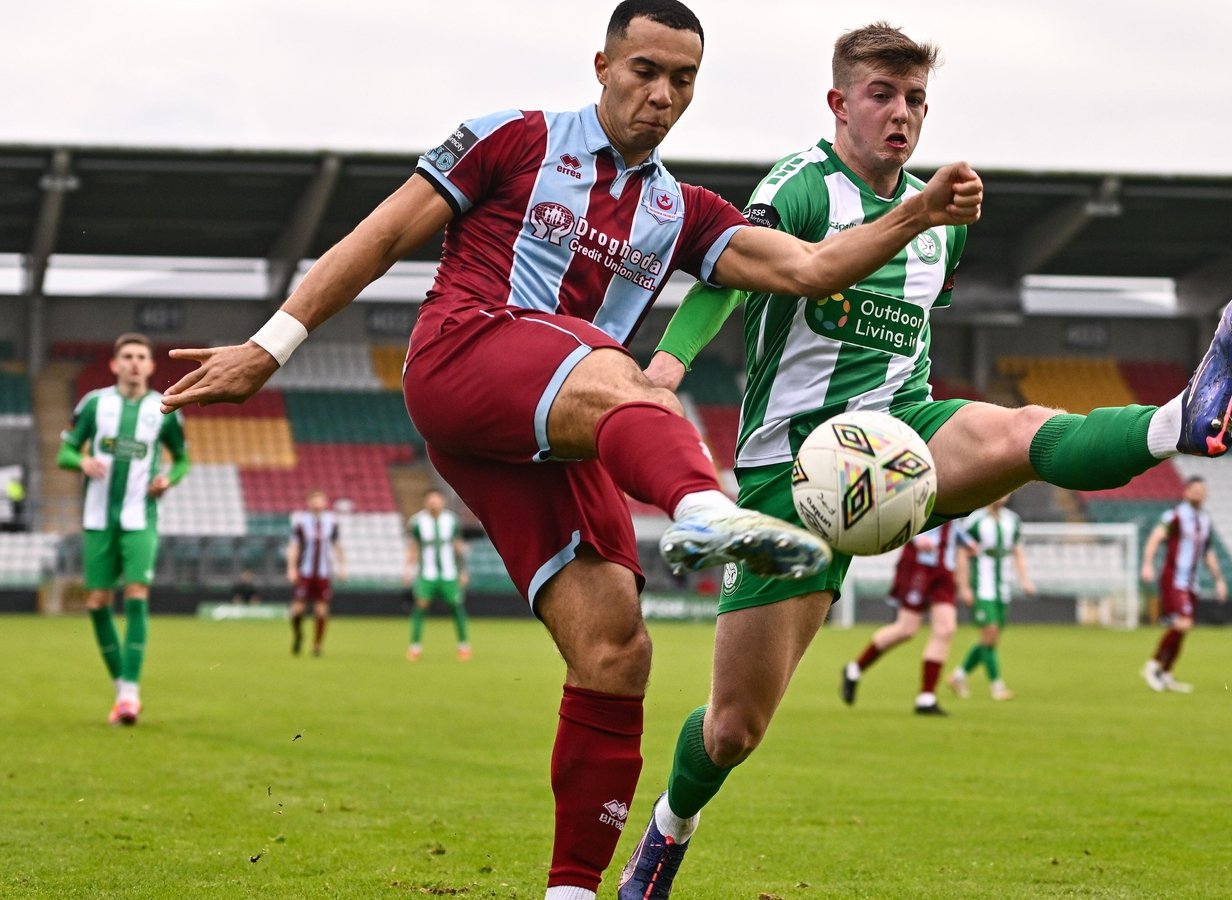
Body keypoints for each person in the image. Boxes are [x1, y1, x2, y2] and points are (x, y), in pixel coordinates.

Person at [158, 4, 985, 896]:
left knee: (617, 652)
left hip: (547, 435)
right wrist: (270, 346)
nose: (661, 95)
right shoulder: (512, 138)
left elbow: (809, 269)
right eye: (644, 71)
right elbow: (384, 233)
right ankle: (708, 514)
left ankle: (572, 889)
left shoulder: (682, 211)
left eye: (683, 80)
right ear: (602, 64)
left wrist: (919, 213)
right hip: (464, 355)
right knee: (622, 371)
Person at [621, 23, 1232, 897]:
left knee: (1021, 431)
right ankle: (668, 831)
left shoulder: (943, 223)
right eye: (882, 95)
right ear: (839, 103)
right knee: (735, 728)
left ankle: (1176, 422)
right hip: (790, 476)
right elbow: (726, 272)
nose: (902, 115)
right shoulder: (804, 185)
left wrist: (925, 240)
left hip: (902, 435)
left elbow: (916, 321)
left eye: (916, 99)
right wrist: (666, 367)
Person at [57, 332, 189, 726]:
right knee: (97, 602)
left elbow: (182, 458)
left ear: (150, 366)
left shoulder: (164, 408)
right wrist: (80, 462)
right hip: (98, 519)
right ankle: (122, 689)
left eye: (141, 357)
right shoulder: (96, 404)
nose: (134, 362)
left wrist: (169, 479)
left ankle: (130, 692)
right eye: (127, 356)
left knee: (136, 592)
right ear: (115, 364)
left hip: (140, 517)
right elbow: (65, 449)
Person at [839, 521, 972, 715]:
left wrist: (966, 541)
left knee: (946, 629)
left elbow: (954, 519)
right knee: (906, 629)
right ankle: (854, 668)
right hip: (920, 561)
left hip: (945, 566)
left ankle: (926, 698)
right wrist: (916, 537)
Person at [1138, 477, 1226, 693]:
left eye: (1202, 490)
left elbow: (1207, 552)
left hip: (1191, 582)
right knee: (1183, 623)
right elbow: (1155, 538)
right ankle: (1153, 666)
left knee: (1183, 628)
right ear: (1186, 492)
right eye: (1194, 490)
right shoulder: (1174, 516)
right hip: (1174, 578)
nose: (1198, 494)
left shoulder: (1205, 520)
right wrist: (1147, 564)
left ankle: (1166, 673)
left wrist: (1219, 579)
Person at [949, 497, 1034, 702]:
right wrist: (965, 586)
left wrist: (1025, 580)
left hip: (1002, 588)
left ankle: (958, 676)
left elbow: (1017, 552)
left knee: (990, 639)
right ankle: (997, 686)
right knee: (990, 631)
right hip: (982, 588)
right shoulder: (975, 520)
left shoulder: (1012, 520)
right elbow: (962, 553)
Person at [405, 488, 472, 661]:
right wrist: (408, 569)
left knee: (456, 607)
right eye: (430, 500)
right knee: (420, 607)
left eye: (436, 500)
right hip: (426, 574)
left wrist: (463, 570)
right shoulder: (417, 522)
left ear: (442, 501)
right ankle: (415, 647)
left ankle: (464, 646)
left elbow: (457, 546)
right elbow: (413, 546)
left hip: (449, 574)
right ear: (425, 502)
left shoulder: (451, 521)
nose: (433, 503)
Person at [287, 489, 344, 657]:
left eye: (322, 500)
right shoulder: (301, 522)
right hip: (305, 572)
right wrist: (291, 568)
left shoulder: (331, 522)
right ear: (309, 502)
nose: (319, 504)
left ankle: (317, 645)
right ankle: (298, 635)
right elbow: (294, 546)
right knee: (297, 610)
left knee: (322, 611)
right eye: (316, 500)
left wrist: (342, 567)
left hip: (323, 573)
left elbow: (337, 545)